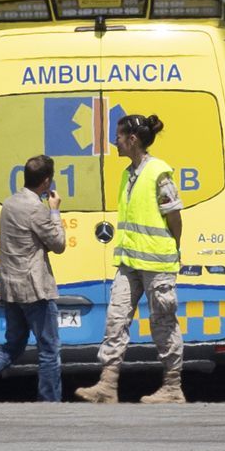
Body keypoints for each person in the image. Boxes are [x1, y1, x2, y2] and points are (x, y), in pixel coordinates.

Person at [76, 114, 186, 405]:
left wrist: (174, 246)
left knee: (162, 322)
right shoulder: (128, 174)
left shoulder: (158, 172)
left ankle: (173, 387)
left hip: (157, 262)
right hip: (129, 261)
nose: (115, 142)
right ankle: (107, 384)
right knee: (116, 318)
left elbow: (174, 215)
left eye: (119, 137)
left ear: (132, 139)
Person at [0, 155, 66, 403]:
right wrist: (55, 210)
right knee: (49, 348)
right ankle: (50, 402)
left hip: (10, 286)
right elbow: (58, 244)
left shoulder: (9, 204)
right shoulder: (37, 209)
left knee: (13, 344)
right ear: (46, 181)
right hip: (35, 288)